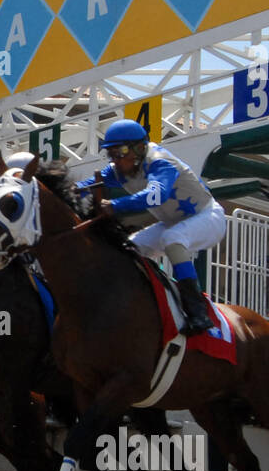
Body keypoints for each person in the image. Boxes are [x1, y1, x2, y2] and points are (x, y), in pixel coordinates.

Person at [75, 119, 226, 335]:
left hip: (208, 216)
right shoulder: (117, 170)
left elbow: (156, 195)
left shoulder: (161, 162)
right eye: (111, 154)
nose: (116, 160)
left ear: (139, 148)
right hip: (172, 222)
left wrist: (115, 205)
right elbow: (86, 185)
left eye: (121, 152)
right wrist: (64, 189)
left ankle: (197, 310)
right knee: (129, 247)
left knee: (173, 238)